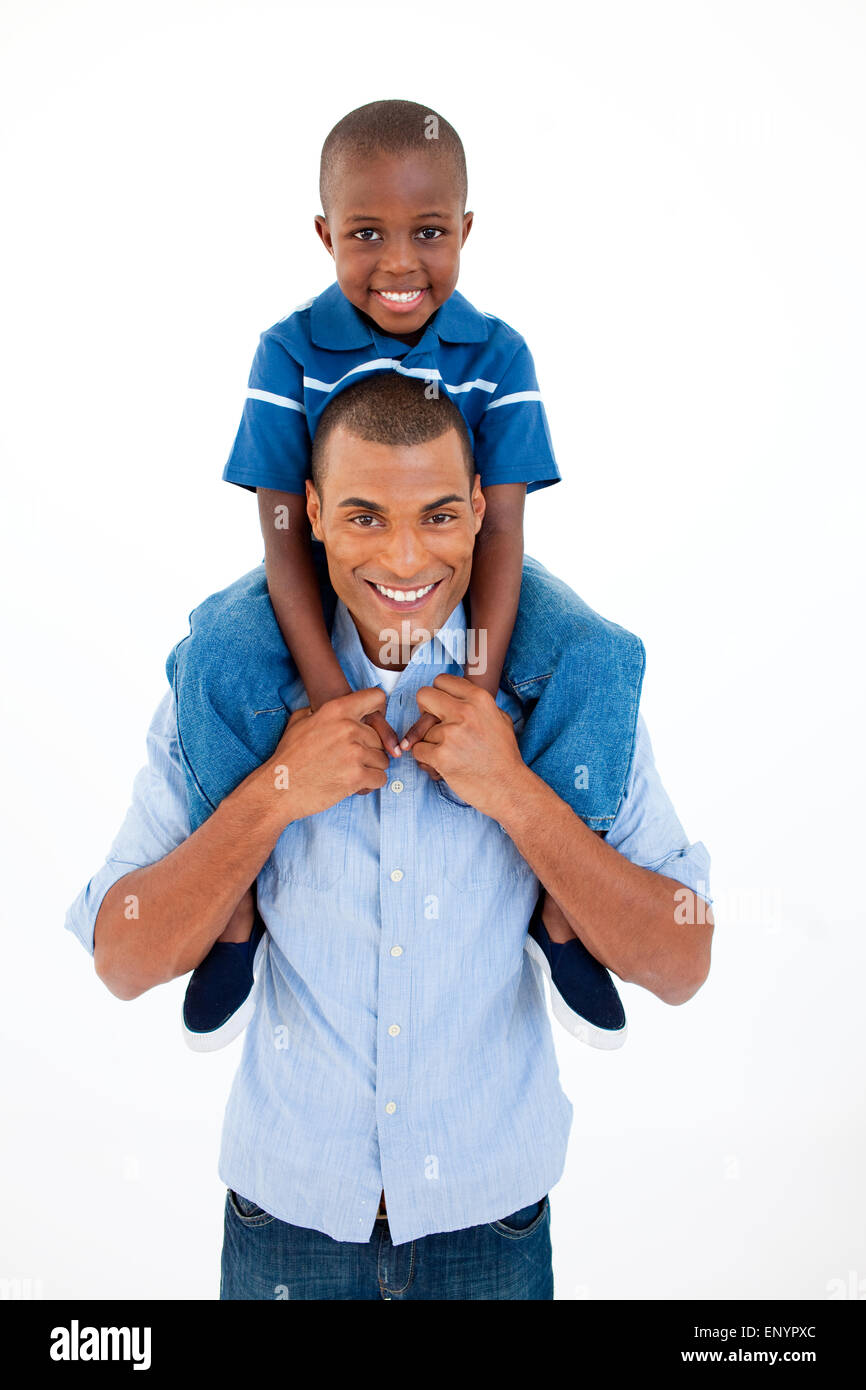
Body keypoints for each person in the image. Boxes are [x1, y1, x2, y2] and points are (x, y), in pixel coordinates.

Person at [65, 374, 714, 1301]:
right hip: (283, 1226)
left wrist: (517, 796)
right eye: (366, 517)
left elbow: (684, 958)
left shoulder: (558, 690)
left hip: (493, 1227)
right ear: (316, 514)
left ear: (484, 513)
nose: (407, 557)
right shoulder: (238, 689)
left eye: (441, 516)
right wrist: (277, 790)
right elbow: (122, 956)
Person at [181, 97, 639, 1050]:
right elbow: (277, 526)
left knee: (596, 651)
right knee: (211, 652)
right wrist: (326, 692)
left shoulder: (497, 352)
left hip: (462, 567)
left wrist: (475, 680)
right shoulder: (288, 351)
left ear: (466, 229)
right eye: (366, 234)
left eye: (429, 232)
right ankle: (236, 901)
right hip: (321, 570)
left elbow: (503, 527)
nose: (399, 263)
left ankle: (561, 898)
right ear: (324, 234)